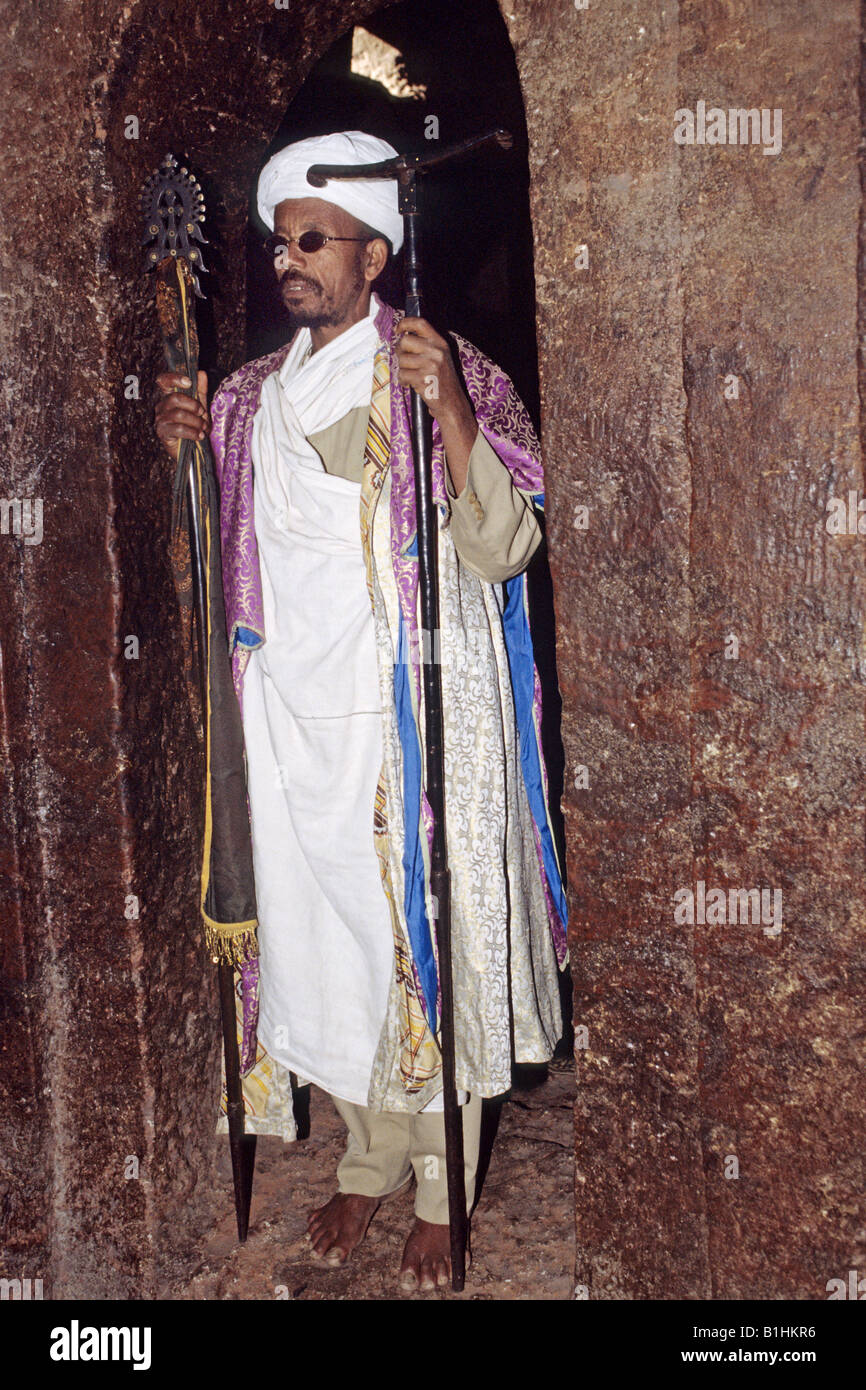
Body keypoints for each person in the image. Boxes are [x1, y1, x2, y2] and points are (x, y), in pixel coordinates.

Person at [155, 130, 567, 1292]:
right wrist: (179, 461)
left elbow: (505, 542)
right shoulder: (242, 401)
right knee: (318, 936)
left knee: (418, 934)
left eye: (314, 242)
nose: (290, 261)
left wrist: (444, 409)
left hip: (407, 719)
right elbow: (209, 569)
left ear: (374, 254)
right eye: (280, 241)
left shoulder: (444, 365)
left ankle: (441, 1178)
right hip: (289, 719)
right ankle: (370, 1152)